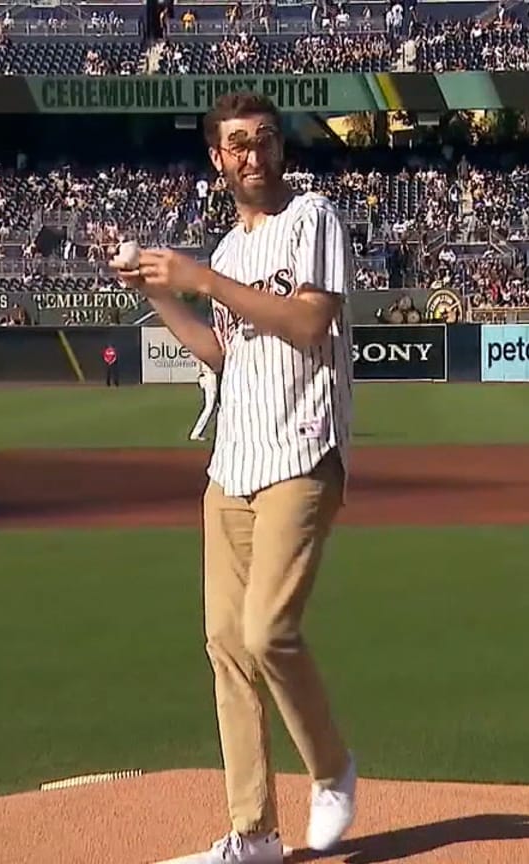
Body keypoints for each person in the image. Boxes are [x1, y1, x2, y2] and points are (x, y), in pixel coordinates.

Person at [114, 90, 357, 864]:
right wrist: (159, 292)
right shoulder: (224, 251)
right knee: (226, 643)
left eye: (265, 139)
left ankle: (332, 770)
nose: (254, 154)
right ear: (217, 159)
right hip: (233, 463)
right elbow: (224, 354)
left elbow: (310, 322)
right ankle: (253, 834)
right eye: (239, 144)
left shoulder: (311, 217)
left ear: (281, 148)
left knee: (268, 632)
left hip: (302, 453)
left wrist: (202, 280)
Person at [190, 363, 219, 441]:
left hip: (208, 377)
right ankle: (195, 434)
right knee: (209, 408)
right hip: (210, 377)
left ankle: (197, 433)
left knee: (215, 406)